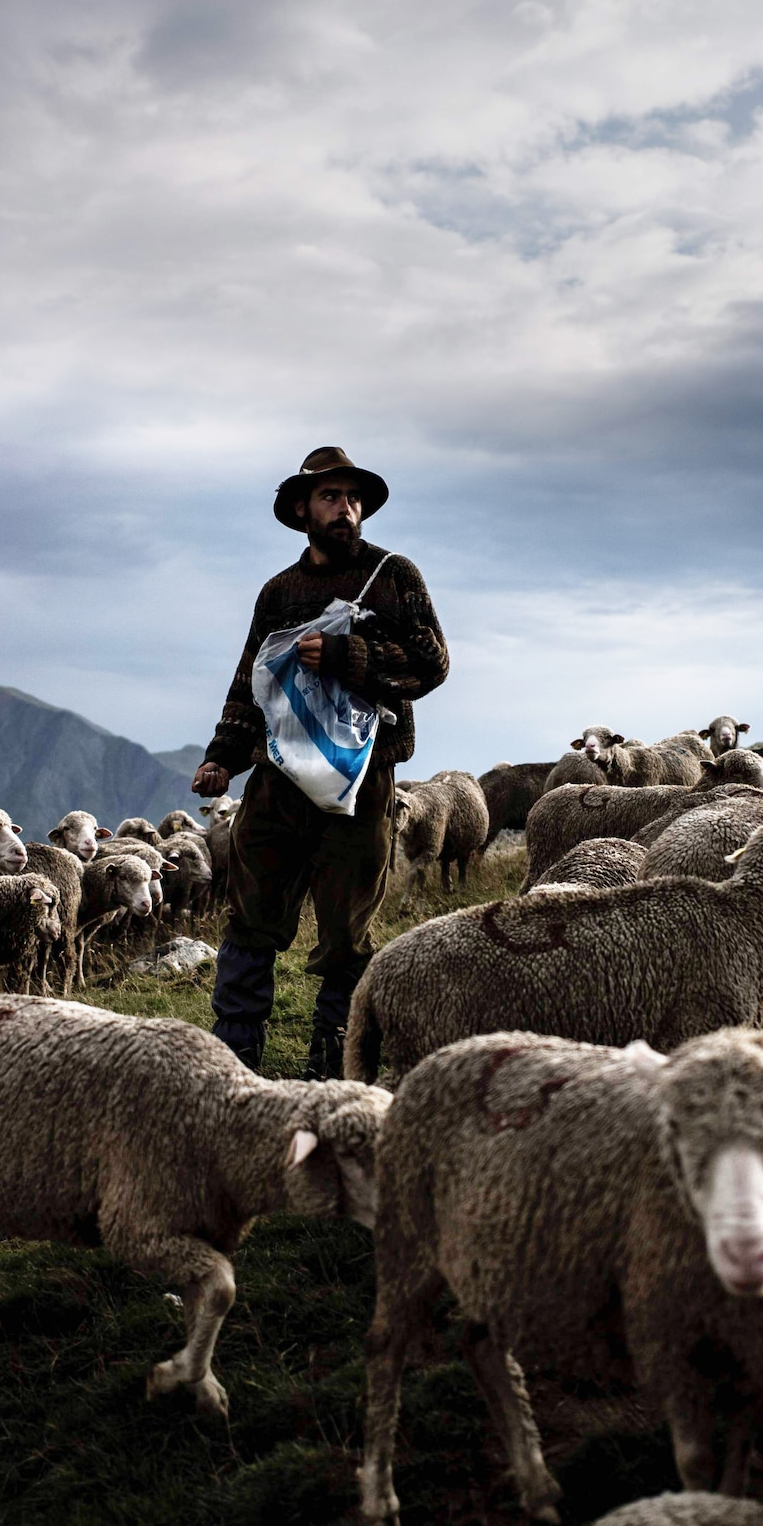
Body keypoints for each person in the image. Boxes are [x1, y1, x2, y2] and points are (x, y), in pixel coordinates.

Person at [191, 447, 449, 1076]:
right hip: (279, 779)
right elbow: (252, 680)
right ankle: (236, 1059)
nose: (345, 509)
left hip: (362, 777)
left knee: (345, 933)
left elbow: (431, 664)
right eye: (331, 497)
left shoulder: (394, 576)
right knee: (252, 919)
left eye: (353, 498)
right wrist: (224, 757)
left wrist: (350, 656)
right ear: (303, 508)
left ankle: (335, 1066)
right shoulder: (279, 592)